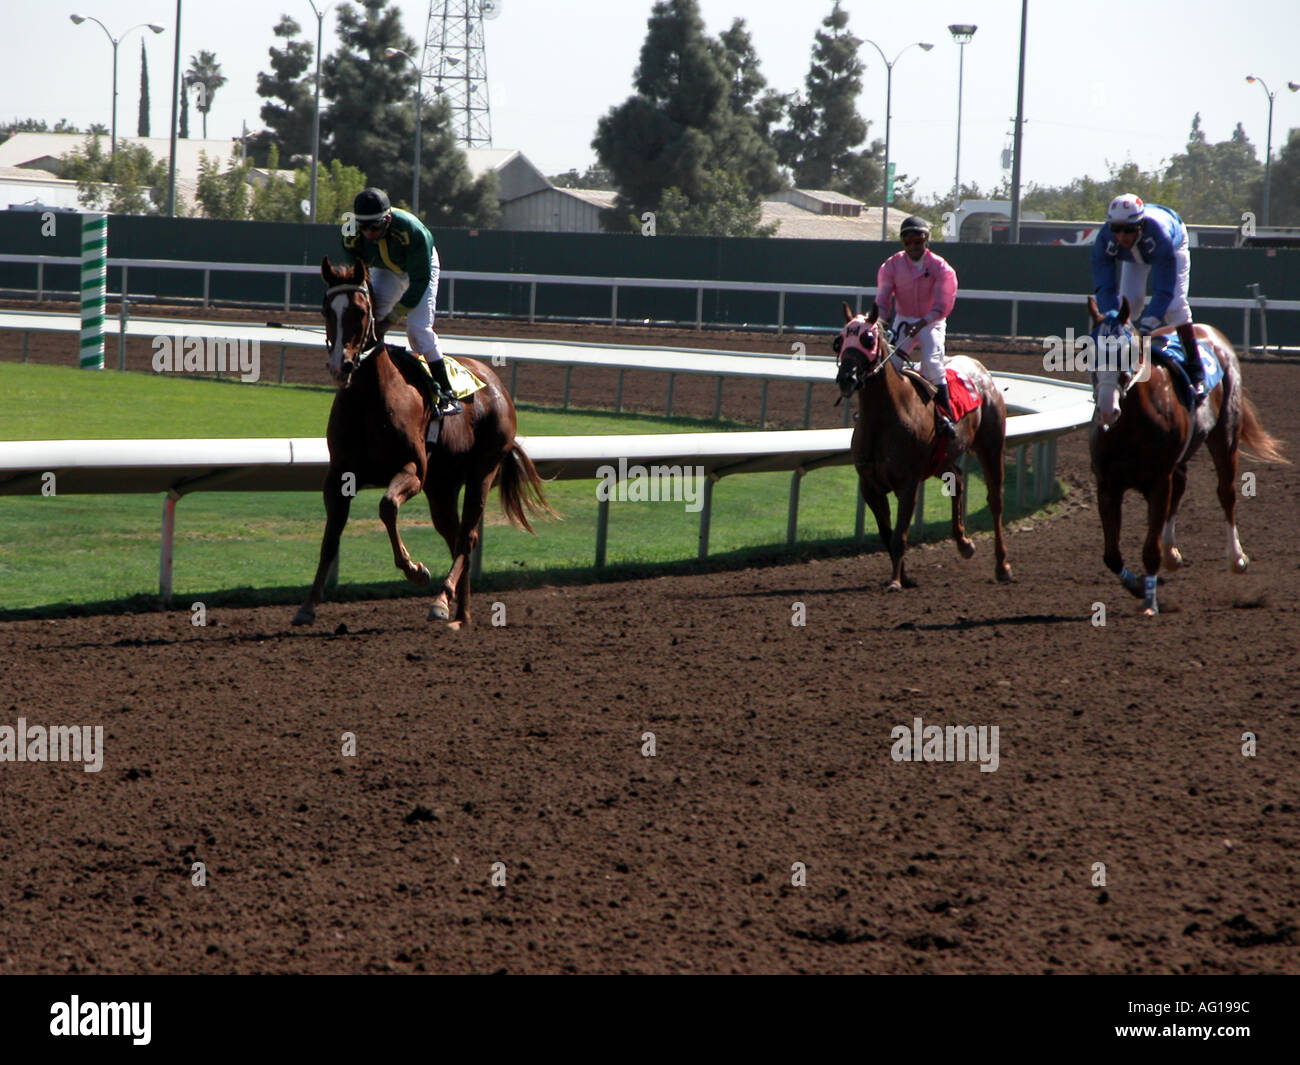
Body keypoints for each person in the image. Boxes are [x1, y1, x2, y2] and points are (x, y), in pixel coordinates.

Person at [342, 187, 460, 415]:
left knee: (417, 329)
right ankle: (362, 383)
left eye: (374, 226)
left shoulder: (413, 231)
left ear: (388, 219)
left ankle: (447, 393)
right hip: (386, 269)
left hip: (419, 268)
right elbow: (358, 276)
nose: (368, 233)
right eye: (363, 226)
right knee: (371, 322)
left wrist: (393, 318)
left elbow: (418, 283)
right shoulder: (349, 233)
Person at [1090, 193, 1204, 402]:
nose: (1121, 236)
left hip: (1173, 241)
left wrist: (1148, 325)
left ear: (1140, 226)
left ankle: (1197, 370)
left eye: (1128, 229)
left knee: (1174, 306)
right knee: (1129, 304)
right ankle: (1123, 362)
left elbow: (1164, 290)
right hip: (1134, 254)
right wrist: (1111, 318)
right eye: (1116, 229)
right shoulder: (1104, 239)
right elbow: (1104, 287)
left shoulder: (1159, 237)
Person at [874, 215, 960, 436]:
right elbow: (883, 301)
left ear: (926, 241)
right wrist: (879, 324)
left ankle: (944, 415)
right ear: (903, 243)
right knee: (888, 363)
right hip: (903, 319)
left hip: (931, 321)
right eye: (908, 242)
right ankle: (880, 410)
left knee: (931, 363)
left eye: (918, 241)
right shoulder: (891, 266)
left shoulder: (941, 267)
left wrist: (923, 321)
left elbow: (943, 304)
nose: (913, 246)